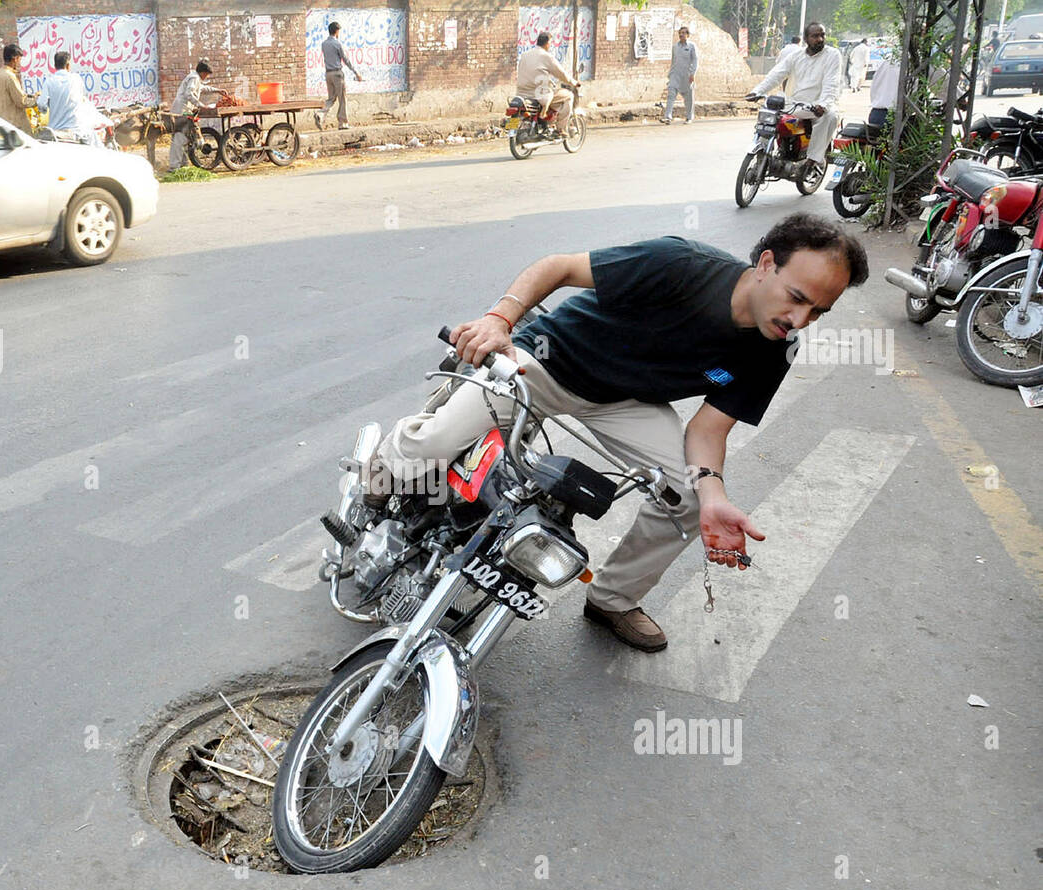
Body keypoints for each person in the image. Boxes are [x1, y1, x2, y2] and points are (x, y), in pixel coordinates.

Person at [365, 215, 868, 652]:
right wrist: (499, 321)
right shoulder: (680, 263)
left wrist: (713, 496)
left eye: (818, 312)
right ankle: (378, 467)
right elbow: (559, 267)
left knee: (689, 498)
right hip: (543, 363)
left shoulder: (775, 348)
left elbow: (709, 430)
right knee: (431, 445)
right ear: (765, 265)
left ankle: (612, 599)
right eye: (797, 298)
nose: (800, 320)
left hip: (627, 402)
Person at [747, 22, 841, 179]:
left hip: (816, 106)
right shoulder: (796, 56)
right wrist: (757, 91)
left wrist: (823, 105)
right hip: (792, 103)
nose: (820, 39)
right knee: (768, 115)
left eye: (822, 35)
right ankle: (760, 156)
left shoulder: (832, 55)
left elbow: (831, 83)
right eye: (815, 36)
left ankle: (811, 162)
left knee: (830, 116)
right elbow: (777, 74)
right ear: (805, 39)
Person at [517, 31, 577, 137]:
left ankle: (546, 124)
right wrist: (573, 82)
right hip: (540, 94)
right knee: (568, 96)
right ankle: (561, 129)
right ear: (547, 43)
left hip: (522, 94)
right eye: (550, 43)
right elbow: (561, 73)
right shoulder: (546, 57)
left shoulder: (524, 55)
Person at [37, 51, 100, 146]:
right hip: (76, 131)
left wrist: (47, 107)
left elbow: (41, 105)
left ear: (54, 66)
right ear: (68, 65)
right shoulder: (76, 79)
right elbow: (81, 98)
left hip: (55, 131)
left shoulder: (49, 82)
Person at [315, 21, 363, 130]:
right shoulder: (337, 44)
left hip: (328, 74)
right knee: (342, 99)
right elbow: (345, 59)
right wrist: (356, 72)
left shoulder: (324, 44)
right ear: (336, 31)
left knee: (331, 98)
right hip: (337, 74)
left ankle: (320, 114)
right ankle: (343, 123)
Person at [170, 60, 216, 170]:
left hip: (184, 109)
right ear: (202, 72)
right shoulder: (194, 78)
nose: (206, 76)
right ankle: (174, 167)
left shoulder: (195, 78)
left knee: (186, 137)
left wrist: (217, 90)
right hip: (182, 110)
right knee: (179, 138)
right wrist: (200, 104)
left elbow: (203, 88)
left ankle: (183, 164)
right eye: (206, 74)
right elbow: (188, 94)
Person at [0, 43, 36, 135]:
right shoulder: (10, 76)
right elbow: (21, 101)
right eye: (19, 60)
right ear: (15, 58)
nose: (19, 63)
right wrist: (36, 100)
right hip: (14, 124)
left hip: (0, 121)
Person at [663, 25, 699, 124]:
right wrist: (670, 74)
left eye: (683, 33)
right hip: (675, 74)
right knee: (671, 94)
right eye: (680, 33)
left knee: (688, 98)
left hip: (687, 75)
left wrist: (693, 74)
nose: (681, 35)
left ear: (687, 35)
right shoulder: (675, 47)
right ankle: (668, 116)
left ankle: (689, 117)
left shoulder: (692, 46)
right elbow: (673, 61)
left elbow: (695, 61)